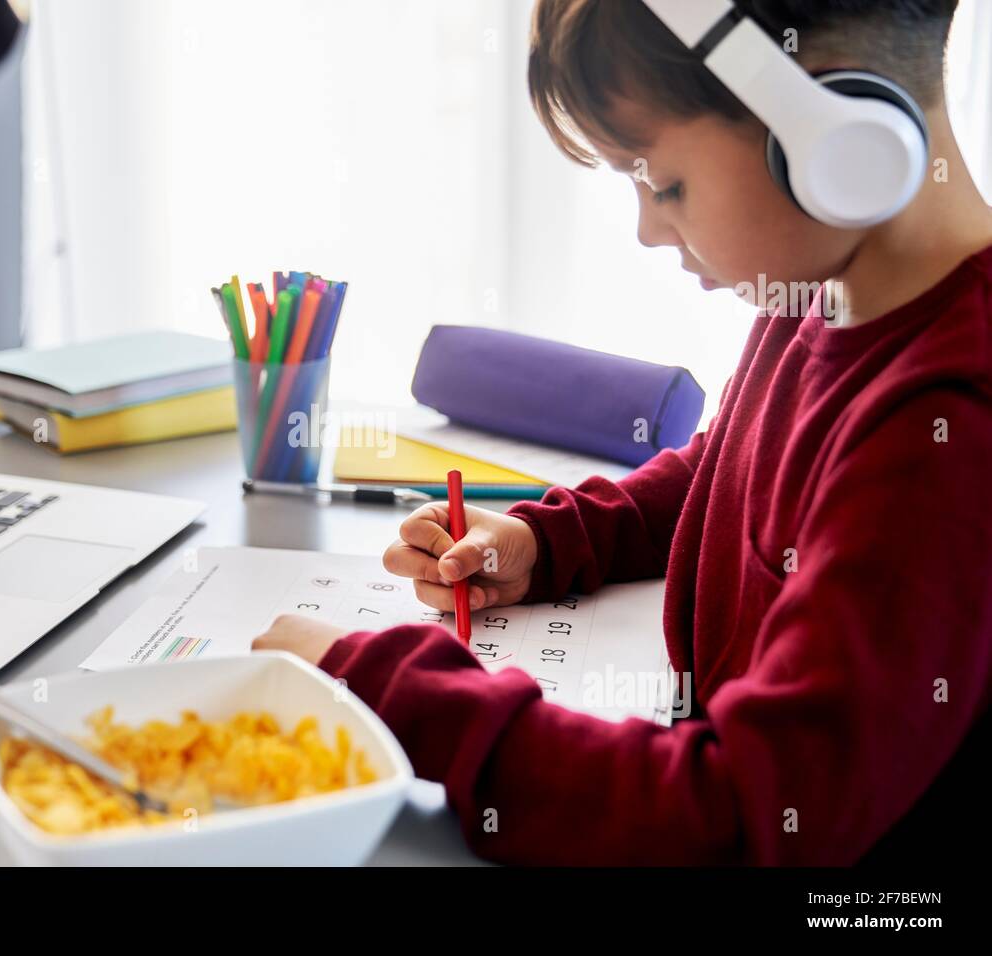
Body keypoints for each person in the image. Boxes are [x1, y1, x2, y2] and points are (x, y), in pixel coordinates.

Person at [255, 0, 992, 865]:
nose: (647, 228)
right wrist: (551, 537)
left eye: (665, 184)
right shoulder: (827, 288)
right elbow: (730, 476)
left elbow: (736, 820)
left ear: (836, 146)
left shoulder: (948, 426)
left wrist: (378, 687)